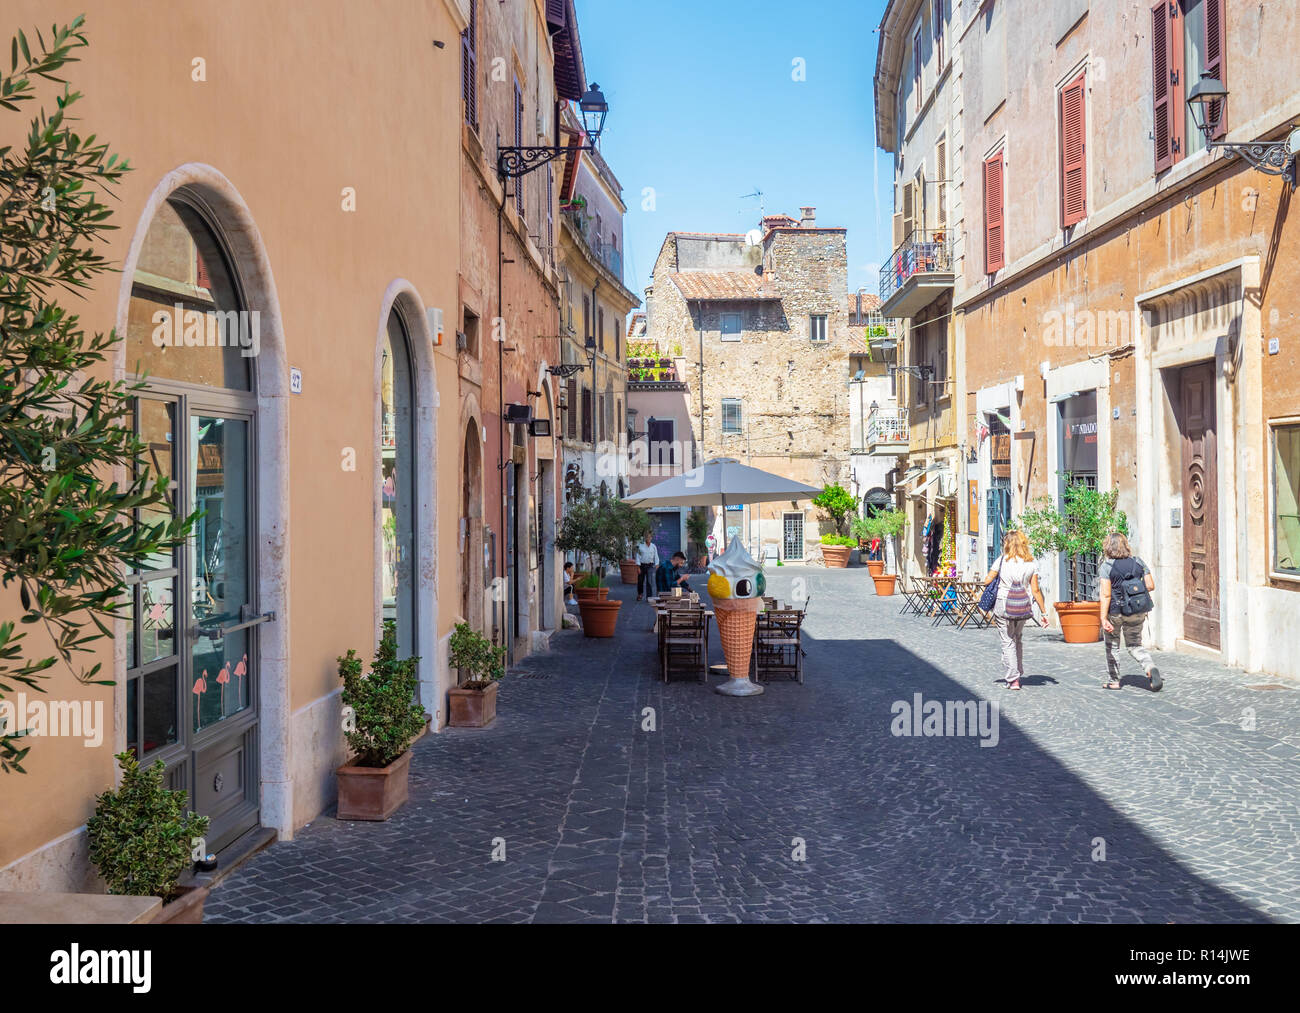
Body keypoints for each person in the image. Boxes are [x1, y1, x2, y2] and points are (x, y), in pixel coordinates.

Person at [983, 530, 1050, 691]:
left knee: (1007, 640)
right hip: (1022, 605)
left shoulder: (1001, 561)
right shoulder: (1031, 564)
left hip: (1003, 603)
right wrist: (1044, 613)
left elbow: (987, 581)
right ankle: (1017, 670)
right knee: (1017, 638)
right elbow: (1035, 590)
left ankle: (1013, 679)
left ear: (1007, 544)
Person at [1098, 532, 1161, 691]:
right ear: (1126, 545)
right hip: (1137, 611)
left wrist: (1103, 618)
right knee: (1134, 645)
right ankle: (1150, 667)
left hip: (1115, 612)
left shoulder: (1107, 567)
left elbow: (1106, 594)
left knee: (1112, 646)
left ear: (1108, 547)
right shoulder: (1138, 562)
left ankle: (1114, 680)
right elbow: (1150, 585)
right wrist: (1133, 591)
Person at [634, 533, 659, 601]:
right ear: (645, 538)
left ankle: (649, 597)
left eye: (649, 537)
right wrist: (638, 567)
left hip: (650, 566)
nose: (648, 538)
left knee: (649, 581)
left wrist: (657, 565)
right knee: (640, 581)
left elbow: (656, 556)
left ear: (651, 538)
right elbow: (638, 557)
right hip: (642, 565)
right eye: (647, 537)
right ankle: (640, 594)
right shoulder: (640, 546)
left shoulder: (653, 546)